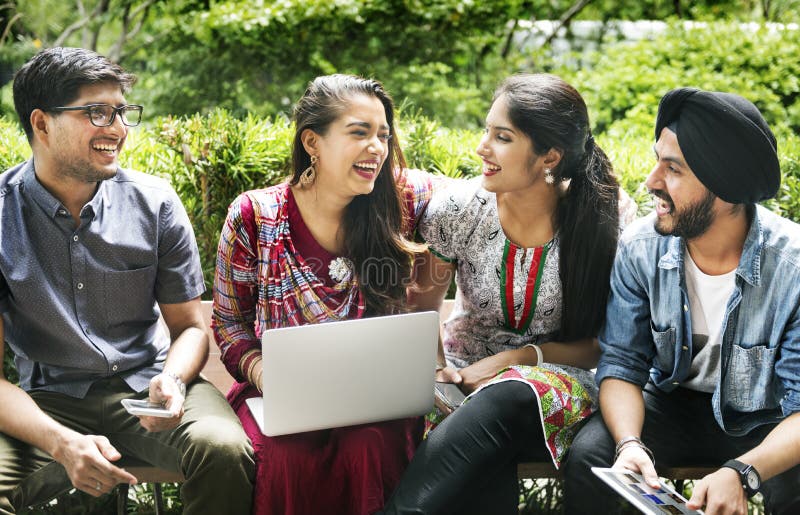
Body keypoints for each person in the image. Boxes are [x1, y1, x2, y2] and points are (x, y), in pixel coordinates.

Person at [0, 47, 254, 514]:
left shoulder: (154, 204)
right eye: (96, 113)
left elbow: (191, 328)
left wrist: (174, 380)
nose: (117, 129)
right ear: (41, 124)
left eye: (121, 112)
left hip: (150, 385)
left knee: (222, 450)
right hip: (50, 401)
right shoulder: (1, 213)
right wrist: (60, 442)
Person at [380, 73, 635, 514]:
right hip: (463, 383)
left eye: (502, 137)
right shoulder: (457, 210)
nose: (482, 147)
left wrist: (514, 360)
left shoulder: (606, 216)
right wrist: (439, 375)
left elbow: (607, 346)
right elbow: (419, 311)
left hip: (560, 385)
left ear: (549, 156)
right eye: (486, 131)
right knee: (462, 428)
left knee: (507, 394)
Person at [563, 88, 800, 515]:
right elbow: (622, 363)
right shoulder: (641, 248)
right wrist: (630, 443)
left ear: (726, 188)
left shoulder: (793, 269)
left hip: (767, 417)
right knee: (590, 456)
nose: (652, 180)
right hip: (670, 402)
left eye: (672, 169)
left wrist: (742, 471)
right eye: (658, 160)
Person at [213, 74, 436, 515]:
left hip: (377, 402)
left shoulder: (402, 202)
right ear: (312, 141)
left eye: (383, 136)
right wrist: (267, 377)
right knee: (285, 454)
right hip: (277, 397)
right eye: (359, 132)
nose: (376, 147)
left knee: (369, 446)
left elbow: (486, 196)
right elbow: (229, 325)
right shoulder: (255, 215)